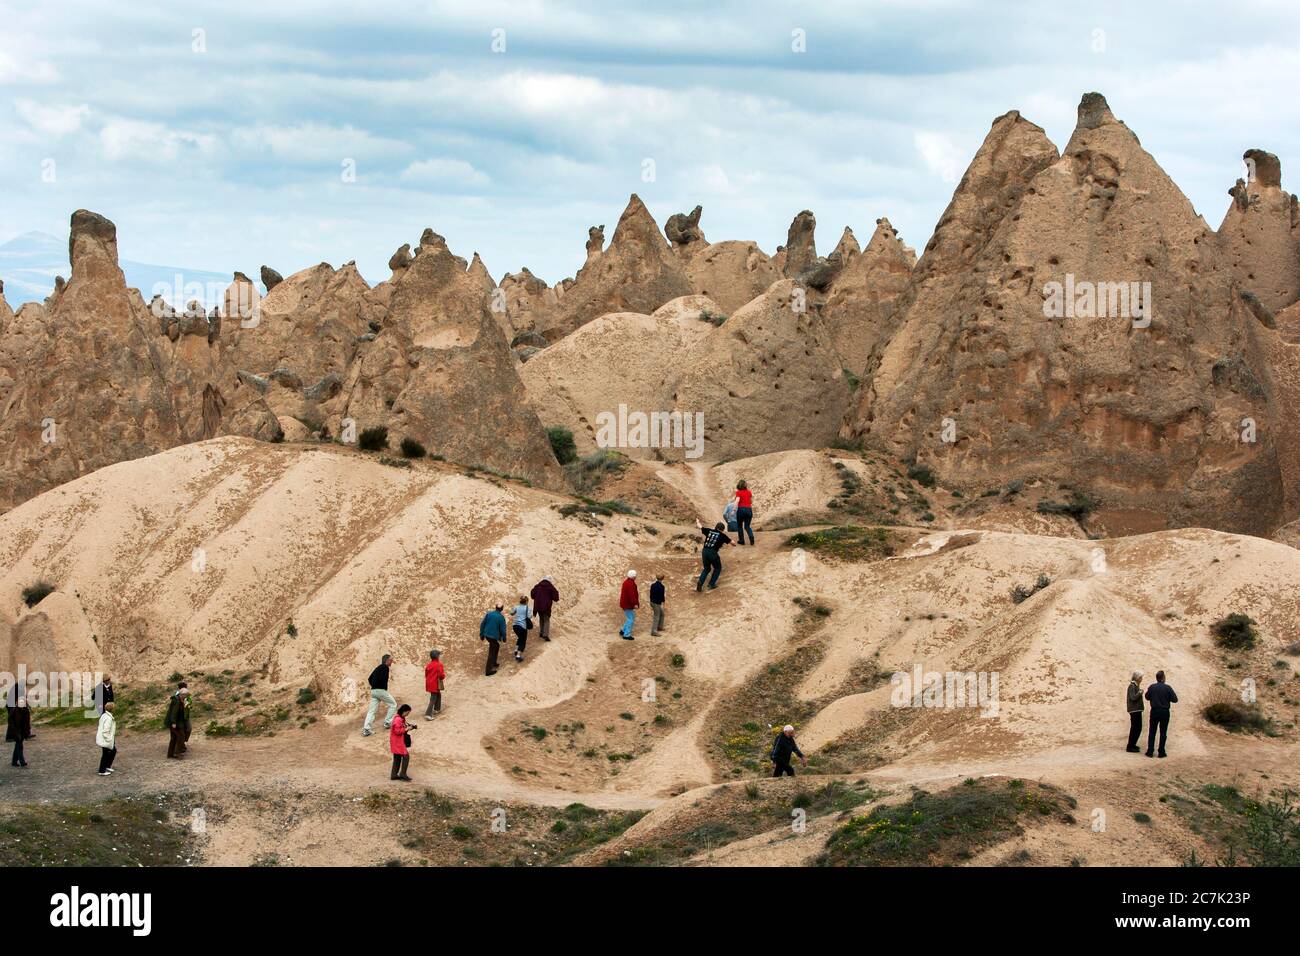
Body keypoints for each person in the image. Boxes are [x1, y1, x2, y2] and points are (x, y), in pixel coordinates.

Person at [1144, 670, 1178, 758]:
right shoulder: (1168, 688)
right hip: (1164, 712)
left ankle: (1150, 751)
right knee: (1163, 732)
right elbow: (1175, 699)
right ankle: (1161, 751)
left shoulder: (1152, 687)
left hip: (1154, 711)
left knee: (1152, 731)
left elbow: (1147, 697)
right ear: (1163, 678)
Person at [362, 654, 397, 737]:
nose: (392, 662)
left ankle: (366, 729)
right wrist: (382, 686)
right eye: (391, 660)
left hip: (374, 691)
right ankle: (387, 723)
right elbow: (382, 679)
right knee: (393, 704)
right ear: (387, 660)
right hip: (380, 690)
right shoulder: (385, 667)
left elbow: (369, 678)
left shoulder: (378, 667)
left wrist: (374, 685)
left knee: (372, 711)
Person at [694, 518, 733, 591]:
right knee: (718, 568)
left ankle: (700, 582)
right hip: (713, 552)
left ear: (716, 527)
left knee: (707, 568)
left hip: (704, 551)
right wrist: (733, 543)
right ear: (722, 529)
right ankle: (711, 584)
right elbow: (732, 543)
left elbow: (700, 526)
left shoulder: (709, 531)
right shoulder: (722, 535)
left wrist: (697, 521)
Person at [480, 604, 508, 676]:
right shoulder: (501, 617)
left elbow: (482, 624)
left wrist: (482, 634)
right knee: (492, 651)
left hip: (487, 634)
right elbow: (503, 630)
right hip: (493, 636)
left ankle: (494, 662)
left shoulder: (489, 614)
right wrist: (504, 638)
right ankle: (488, 670)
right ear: (502, 609)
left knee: (496, 646)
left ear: (495, 607)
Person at [389, 704, 415, 781]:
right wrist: (407, 729)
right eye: (407, 713)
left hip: (396, 741)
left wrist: (409, 726)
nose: (407, 714)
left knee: (397, 758)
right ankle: (403, 774)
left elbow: (400, 727)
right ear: (403, 711)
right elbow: (397, 731)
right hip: (398, 742)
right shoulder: (398, 719)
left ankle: (394, 775)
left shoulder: (400, 718)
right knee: (406, 756)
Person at [530, 576, 560, 642]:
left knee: (541, 618)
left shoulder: (538, 586)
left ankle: (541, 632)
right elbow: (556, 597)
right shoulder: (550, 587)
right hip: (546, 606)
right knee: (546, 619)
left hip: (538, 606)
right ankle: (545, 634)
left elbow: (532, 594)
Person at [165, 684, 190, 759]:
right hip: (175, 723)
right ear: (182, 695)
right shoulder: (177, 701)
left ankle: (170, 754)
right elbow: (174, 713)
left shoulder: (179, 700)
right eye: (186, 695)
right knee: (180, 737)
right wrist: (173, 722)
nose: (186, 697)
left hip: (176, 722)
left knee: (174, 738)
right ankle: (177, 753)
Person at [6, 696, 31, 767]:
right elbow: (10, 722)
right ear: (17, 702)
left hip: (23, 731)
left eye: (23, 702)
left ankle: (14, 762)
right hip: (16, 731)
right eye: (20, 702)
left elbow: (27, 723)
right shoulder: (14, 711)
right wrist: (15, 732)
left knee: (17, 746)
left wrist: (28, 731)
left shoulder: (26, 711)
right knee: (20, 746)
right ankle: (22, 761)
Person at [96, 701, 118, 776]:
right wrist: (109, 740)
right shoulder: (108, 718)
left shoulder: (104, 715)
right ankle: (102, 770)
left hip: (105, 739)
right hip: (106, 739)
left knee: (113, 751)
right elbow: (105, 731)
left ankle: (107, 766)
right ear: (112, 709)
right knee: (106, 754)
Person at [424, 650, 446, 719]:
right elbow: (441, 675)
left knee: (438, 695)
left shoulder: (428, 665)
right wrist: (443, 676)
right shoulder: (439, 664)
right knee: (433, 698)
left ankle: (437, 709)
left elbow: (426, 674)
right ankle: (428, 714)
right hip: (435, 683)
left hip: (429, 683)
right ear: (437, 657)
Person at [1125, 671, 1144, 753]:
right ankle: (1130, 746)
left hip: (1136, 710)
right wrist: (1140, 693)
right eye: (1140, 677)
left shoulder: (1134, 685)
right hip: (1134, 710)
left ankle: (1132, 745)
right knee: (1135, 728)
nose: (1141, 679)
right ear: (1137, 678)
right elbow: (1133, 697)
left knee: (1137, 728)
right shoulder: (1132, 686)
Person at [732, 480, 755, 546]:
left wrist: (733, 510)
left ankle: (741, 540)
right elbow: (751, 501)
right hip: (749, 510)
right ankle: (751, 538)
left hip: (741, 510)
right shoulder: (749, 492)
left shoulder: (738, 493)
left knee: (739, 526)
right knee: (747, 526)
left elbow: (737, 501)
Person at [512, 595, 533, 662]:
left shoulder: (516, 607)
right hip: (522, 626)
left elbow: (511, 613)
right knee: (523, 640)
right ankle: (518, 655)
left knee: (520, 637)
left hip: (515, 626)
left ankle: (516, 649)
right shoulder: (527, 608)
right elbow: (529, 616)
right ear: (526, 601)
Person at [619, 570, 639, 640]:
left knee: (629, 618)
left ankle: (623, 630)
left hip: (625, 603)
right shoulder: (631, 584)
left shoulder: (626, 582)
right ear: (633, 576)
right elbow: (632, 595)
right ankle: (626, 634)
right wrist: (635, 604)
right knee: (631, 618)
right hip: (628, 604)